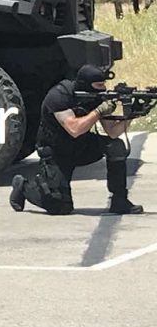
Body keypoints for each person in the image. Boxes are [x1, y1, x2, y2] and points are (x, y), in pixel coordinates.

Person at [9, 64, 142, 215]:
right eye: (99, 85)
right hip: (55, 151)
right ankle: (24, 187)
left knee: (115, 146)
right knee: (60, 206)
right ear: (86, 85)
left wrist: (132, 114)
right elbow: (74, 129)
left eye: (104, 85)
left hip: (81, 146)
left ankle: (120, 200)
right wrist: (98, 111)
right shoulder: (59, 96)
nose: (102, 89)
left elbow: (112, 132)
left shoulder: (97, 96)